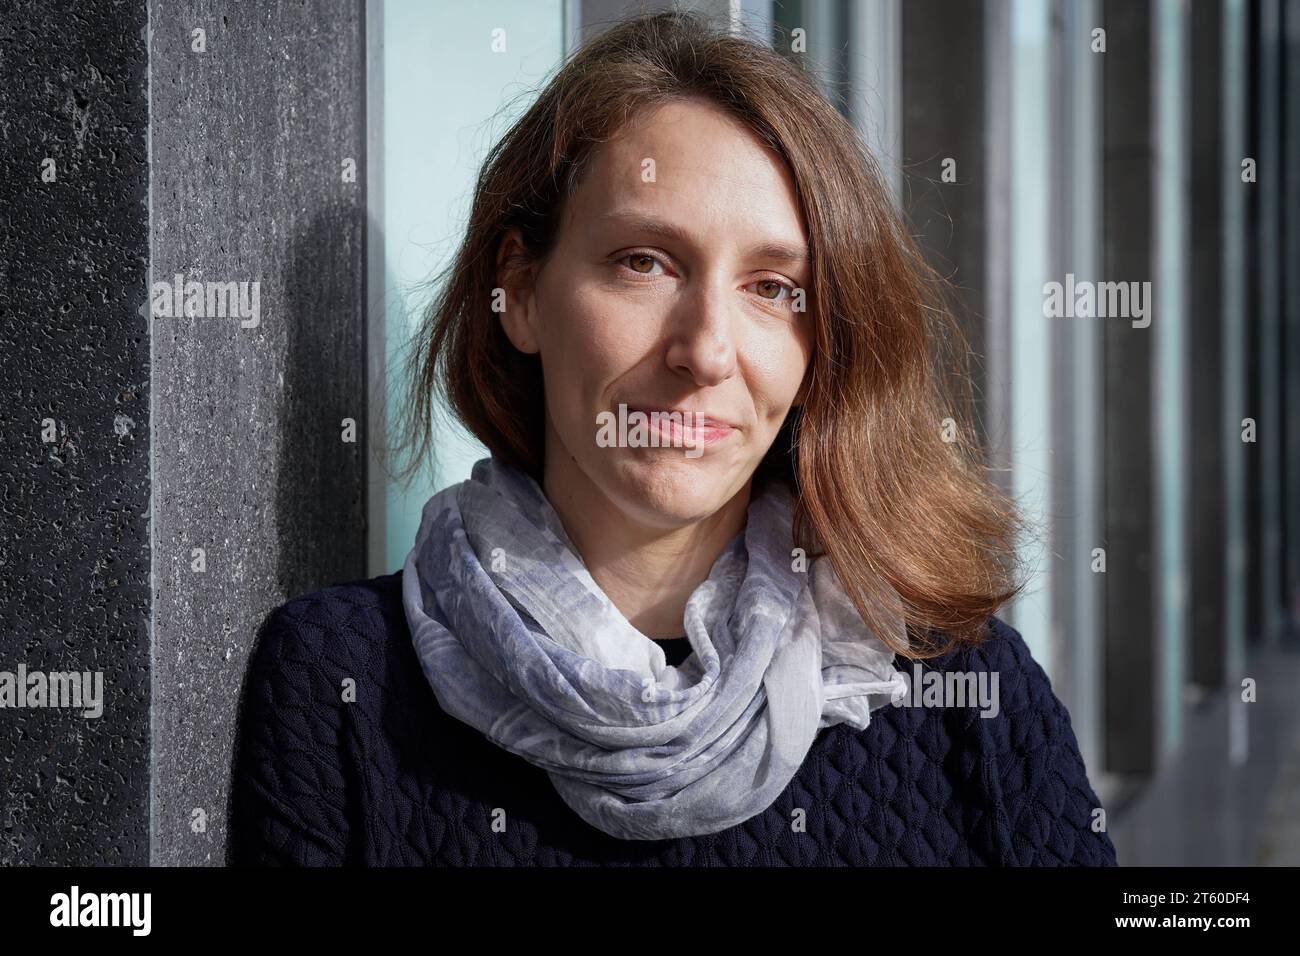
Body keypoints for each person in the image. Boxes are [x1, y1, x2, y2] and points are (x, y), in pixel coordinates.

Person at [229, 9, 1117, 865]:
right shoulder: (341, 681)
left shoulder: (961, 690)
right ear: (524, 291)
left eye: (772, 287)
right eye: (644, 262)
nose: (705, 350)